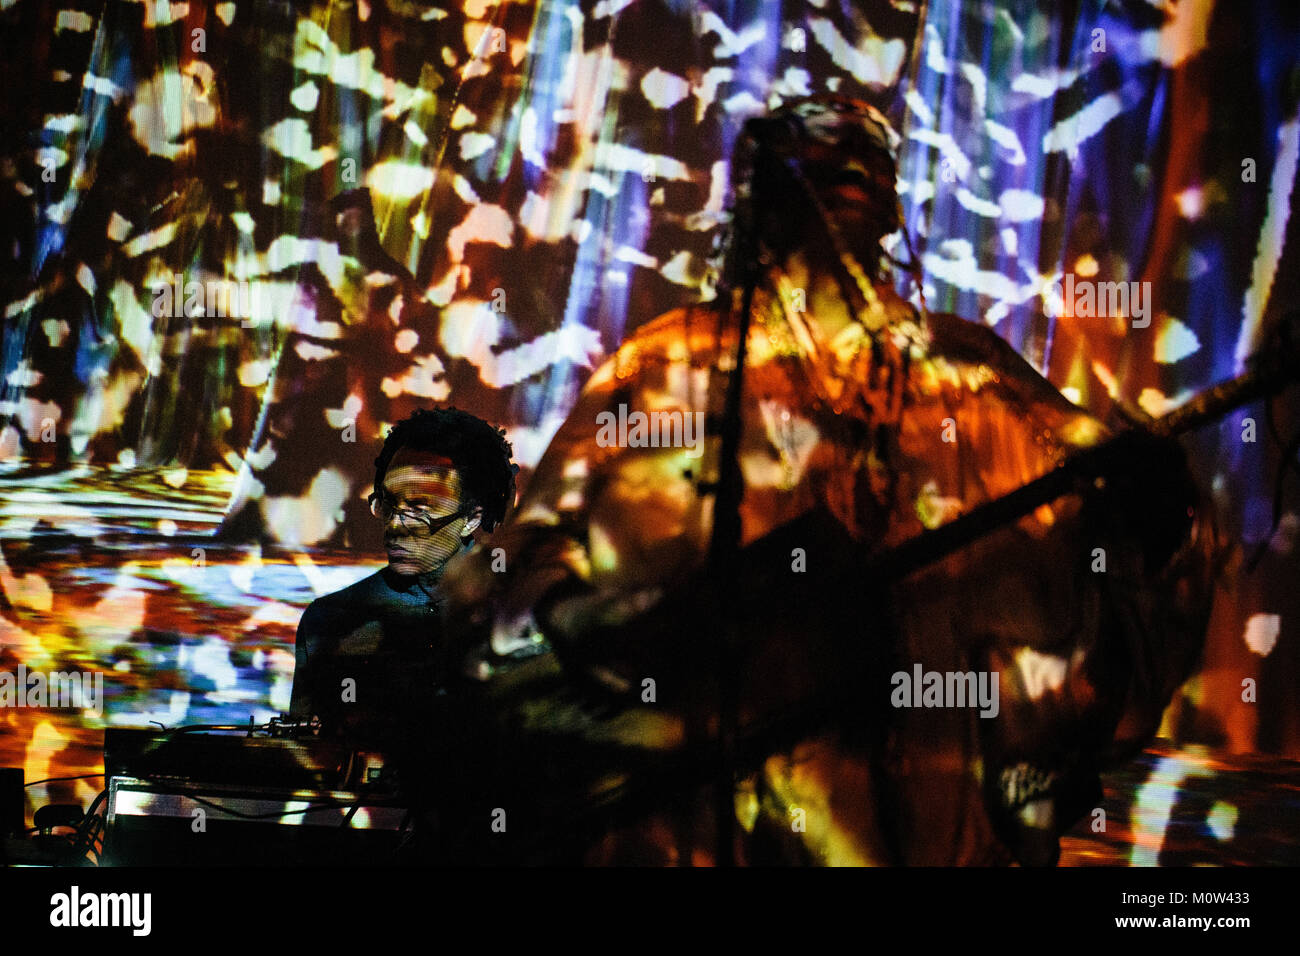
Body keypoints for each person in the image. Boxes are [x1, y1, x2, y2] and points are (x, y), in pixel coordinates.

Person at [438, 95, 1215, 865]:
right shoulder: (671, 362)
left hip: (912, 800)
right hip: (711, 799)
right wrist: (590, 621)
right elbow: (528, 554)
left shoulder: (972, 374)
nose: (848, 166)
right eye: (819, 152)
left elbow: (1120, 515)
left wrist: (1144, 511)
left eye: (867, 155)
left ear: (891, 202)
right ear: (764, 199)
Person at [288, 406, 518, 757]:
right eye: (389, 505)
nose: (396, 525)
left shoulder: (517, 617)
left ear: (472, 519)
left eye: (419, 509)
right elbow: (303, 755)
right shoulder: (330, 618)